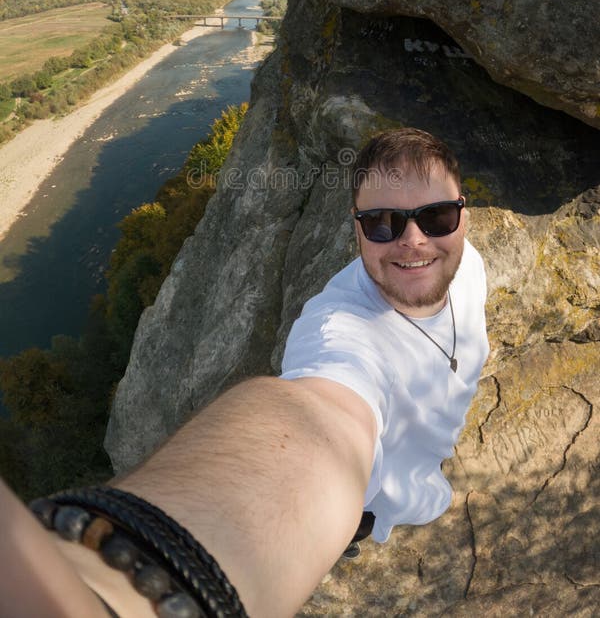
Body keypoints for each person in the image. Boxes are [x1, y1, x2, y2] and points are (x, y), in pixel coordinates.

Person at [0, 127, 488, 618]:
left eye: (437, 217)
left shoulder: (469, 268)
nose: (413, 240)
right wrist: (115, 580)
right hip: (388, 504)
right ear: (357, 228)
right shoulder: (339, 330)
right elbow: (323, 415)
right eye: (383, 223)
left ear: (463, 215)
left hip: (426, 473)